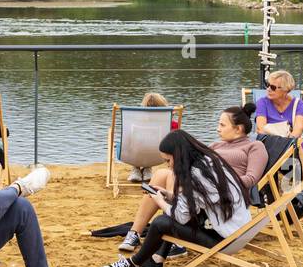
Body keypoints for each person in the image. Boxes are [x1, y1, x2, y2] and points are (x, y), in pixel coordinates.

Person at [115, 104, 268, 254]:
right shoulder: (216, 145)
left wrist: (219, 181)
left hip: (225, 200)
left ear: (238, 128)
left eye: (222, 125)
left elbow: (251, 179)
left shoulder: (254, 146)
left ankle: (174, 233)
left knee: (176, 174)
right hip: (204, 194)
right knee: (162, 174)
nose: (217, 129)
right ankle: (134, 233)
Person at [102, 130, 250, 267]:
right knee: (170, 209)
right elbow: (201, 202)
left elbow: (181, 217)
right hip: (237, 231)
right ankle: (155, 260)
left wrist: (160, 201)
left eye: (168, 160)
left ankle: (134, 264)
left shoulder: (193, 175)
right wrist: (170, 196)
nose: (168, 166)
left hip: (225, 240)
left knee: (161, 222)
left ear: (179, 156)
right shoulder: (209, 162)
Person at [128, 92, 178, 181]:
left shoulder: (136, 123)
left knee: (135, 142)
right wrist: (169, 117)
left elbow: (130, 138)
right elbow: (175, 140)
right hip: (160, 156)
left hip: (135, 155)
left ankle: (136, 170)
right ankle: (147, 170)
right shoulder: (172, 124)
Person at [253, 70, 303, 139]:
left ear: (285, 89)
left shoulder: (298, 105)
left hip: (290, 143)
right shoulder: (262, 103)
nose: (268, 89)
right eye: (268, 85)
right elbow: (261, 128)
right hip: (268, 143)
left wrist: (286, 143)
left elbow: (298, 130)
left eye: (273, 87)